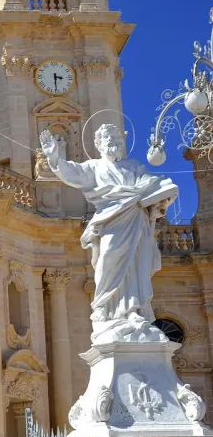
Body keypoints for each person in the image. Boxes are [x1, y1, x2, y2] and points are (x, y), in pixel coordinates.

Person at [40, 122, 178, 344]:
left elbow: (153, 184)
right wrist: (55, 158)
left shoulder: (133, 167)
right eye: (109, 140)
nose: (114, 143)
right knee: (107, 261)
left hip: (136, 224)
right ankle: (104, 307)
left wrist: (163, 193)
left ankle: (132, 309)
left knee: (135, 268)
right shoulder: (93, 167)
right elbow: (71, 173)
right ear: (99, 144)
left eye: (117, 140)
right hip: (110, 223)